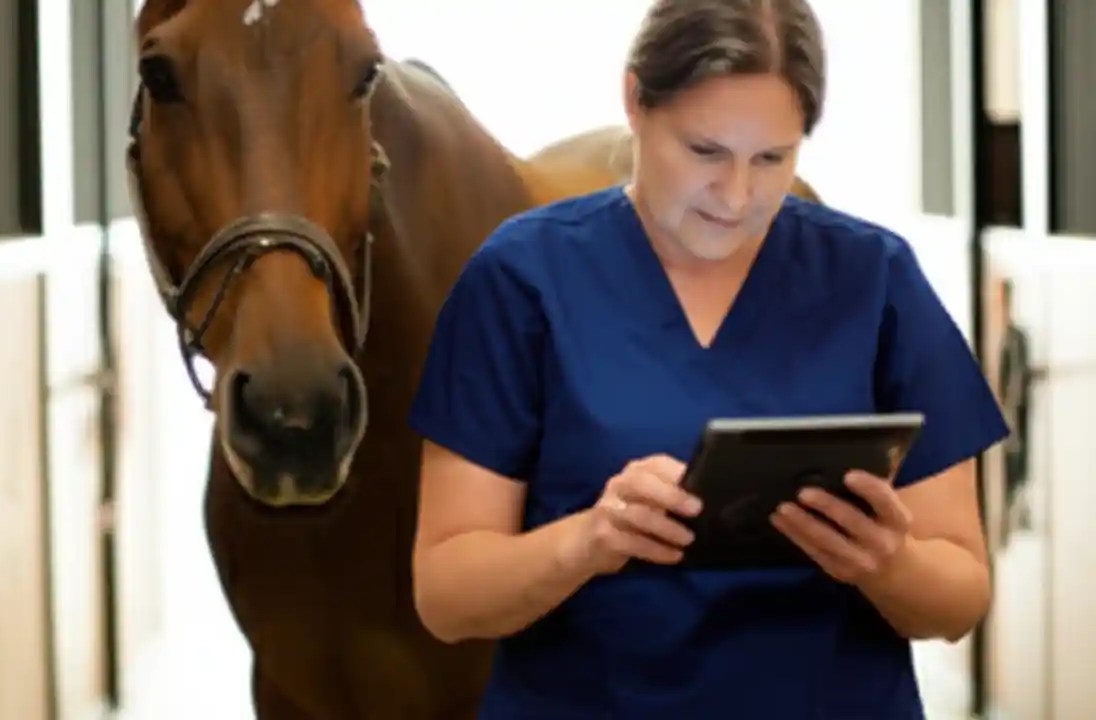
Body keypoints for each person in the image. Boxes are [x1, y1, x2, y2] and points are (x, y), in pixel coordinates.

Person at [406, 0, 1009, 717]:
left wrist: (888, 563)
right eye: (705, 152)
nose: (737, 196)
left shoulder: (873, 279)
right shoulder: (520, 279)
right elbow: (446, 596)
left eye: (772, 158)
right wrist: (587, 540)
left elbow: (960, 600)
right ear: (635, 100)